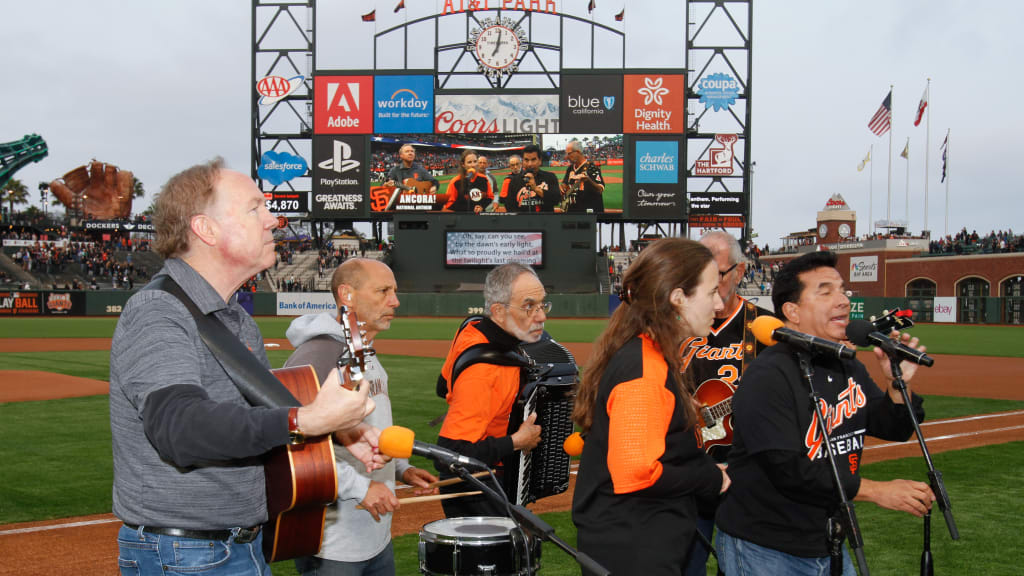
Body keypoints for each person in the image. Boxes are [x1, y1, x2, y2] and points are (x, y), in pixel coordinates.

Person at [109, 158, 378, 575]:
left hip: (237, 547)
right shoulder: (158, 311)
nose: (274, 220)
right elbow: (178, 427)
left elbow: (256, 422)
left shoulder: (236, 320)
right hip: (185, 555)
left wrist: (334, 431)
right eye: (255, 208)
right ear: (206, 229)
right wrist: (304, 420)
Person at [715, 251, 935, 576]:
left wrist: (896, 383)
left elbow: (893, 427)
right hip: (766, 546)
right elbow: (788, 469)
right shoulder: (767, 376)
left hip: (828, 541)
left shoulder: (847, 365)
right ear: (792, 311)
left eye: (842, 289)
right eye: (826, 291)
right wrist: (876, 491)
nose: (843, 300)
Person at [572, 238, 730, 576]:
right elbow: (636, 474)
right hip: (632, 546)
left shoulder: (648, 353)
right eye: (712, 292)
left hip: (638, 537)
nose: (719, 304)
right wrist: (709, 477)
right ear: (678, 298)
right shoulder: (643, 366)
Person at [285, 257, 438, 575]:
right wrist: (361, 488)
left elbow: (372, 427)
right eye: (383, 291)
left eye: (394, 291)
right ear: (347, 295)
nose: (395, 301)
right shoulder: (320, 356)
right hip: (332, 545)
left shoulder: (360, 349)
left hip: (375, 535)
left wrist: (402, 469)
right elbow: (295, 449)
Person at [681, 230, 772, 576]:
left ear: (740, 271)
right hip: (691, 471)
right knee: (686, 565)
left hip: (747, 474)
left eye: (718, 273)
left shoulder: (763, 328)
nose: (709, 281)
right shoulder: (679, 325)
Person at [436, 262, 545, 517]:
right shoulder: (484, 370)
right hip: (476, 485)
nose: (541, 317)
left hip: (486, 475)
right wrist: (516, 441)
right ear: (498, 311)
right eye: (529, 306)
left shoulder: (472, 326)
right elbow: (449, 455)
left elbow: (443, 386)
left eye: (542, 305)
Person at [502, 144, 561, 212]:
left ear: (540, 161)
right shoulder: (514, 181)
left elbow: (556, 201)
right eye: (526, 160)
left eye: (533, 160)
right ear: (523, 162)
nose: (530, 164)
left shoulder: (550, 177)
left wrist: (535, 189)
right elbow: (509, 206)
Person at [383, 143, 441, 210]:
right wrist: (385, 185)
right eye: (407, 151)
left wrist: (435, 187)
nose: (410, 153)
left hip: (418, 206)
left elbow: (434, 181)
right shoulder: (394, 170)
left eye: (412, 151)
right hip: (400, 206)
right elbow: (383, 185)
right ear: (401, 155)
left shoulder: (420, 169)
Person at [559, 139, 605, 213]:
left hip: (588, 211)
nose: (567, 157)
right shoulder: (570, 168)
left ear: (578, 152)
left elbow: (600, 190)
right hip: (573, 211)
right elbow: (565, 184)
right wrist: (562, 188)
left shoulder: (592, 168)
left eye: (569, 153)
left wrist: (588, 180)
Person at [442, 149, 494, 213]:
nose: (473, 165)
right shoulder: (455, 182)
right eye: (469, 162)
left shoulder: (483, 178)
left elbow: (490, 197)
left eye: (475, 161)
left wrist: (482, 206)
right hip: (463, 217)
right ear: (463, 164)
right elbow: (449, 204)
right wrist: (470, 209)